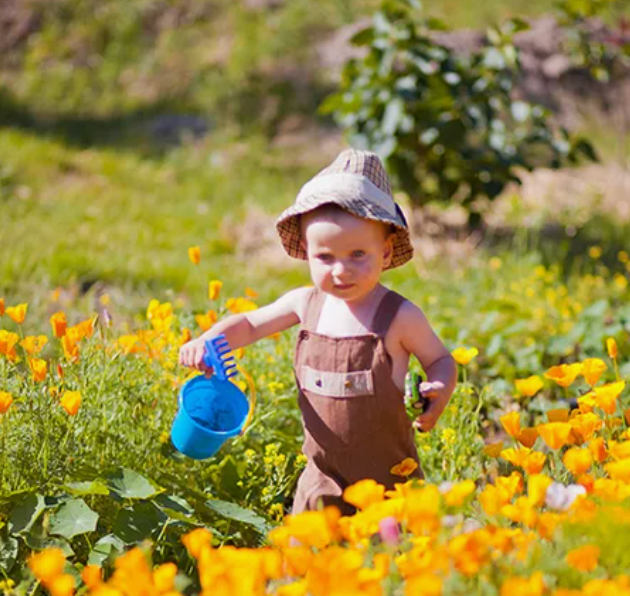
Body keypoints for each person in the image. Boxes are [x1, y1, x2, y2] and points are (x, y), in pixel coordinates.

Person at [179, 149, 456, 514]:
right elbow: (248, 324)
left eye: (358, 254)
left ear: (386, 253)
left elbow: (440, 360)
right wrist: (208, 340)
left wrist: (439, 389)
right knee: (311, 562)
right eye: (325, 257)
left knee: (389, 561)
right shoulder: (304, 304)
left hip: (389, 482)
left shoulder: (398, 316)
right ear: (307, 254)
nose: (341, 271)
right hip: (321, 479)